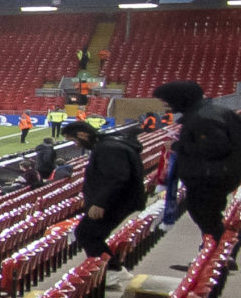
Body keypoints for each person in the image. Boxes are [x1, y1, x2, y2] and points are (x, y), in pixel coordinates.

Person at [154, 80, 241, 243]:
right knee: (209, 219)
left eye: (167, 100)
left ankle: (217, 257)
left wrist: (179, 146)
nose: (165, 105)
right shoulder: (208, 112)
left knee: (207, 218)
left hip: (211, 179)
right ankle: (213, 255)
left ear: (181, 98)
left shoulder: (203, 118)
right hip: (216, 176)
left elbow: (216, 148)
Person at [60, 118, 148, 266]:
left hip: (117, 201)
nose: (76, 145)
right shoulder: (110, 144)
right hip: (120, 200)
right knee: (90, 234)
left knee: (86, 234)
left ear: (82, 135)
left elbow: (117, 178)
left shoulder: (108, 148)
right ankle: (110, 271)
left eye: (74, 140)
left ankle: (112, 272)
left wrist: (100, 203)